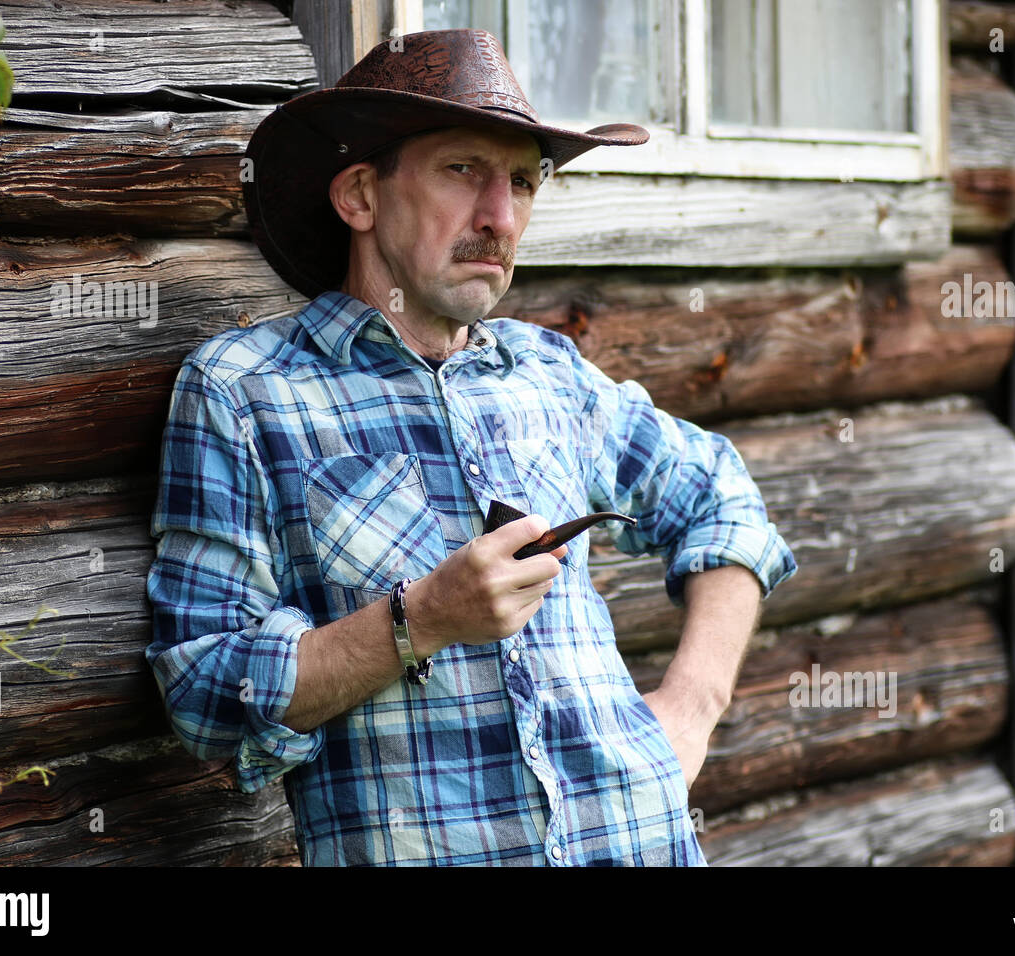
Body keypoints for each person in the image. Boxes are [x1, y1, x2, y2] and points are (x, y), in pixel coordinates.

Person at [145, 28, 797, 866]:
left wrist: (693, 704)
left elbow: (721, 495)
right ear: (359, 197)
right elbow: (205, 690)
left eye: (522, 182)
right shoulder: (243, 391)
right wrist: (419, 623)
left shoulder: (547, 374)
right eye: (463, 171)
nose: (500, 216)